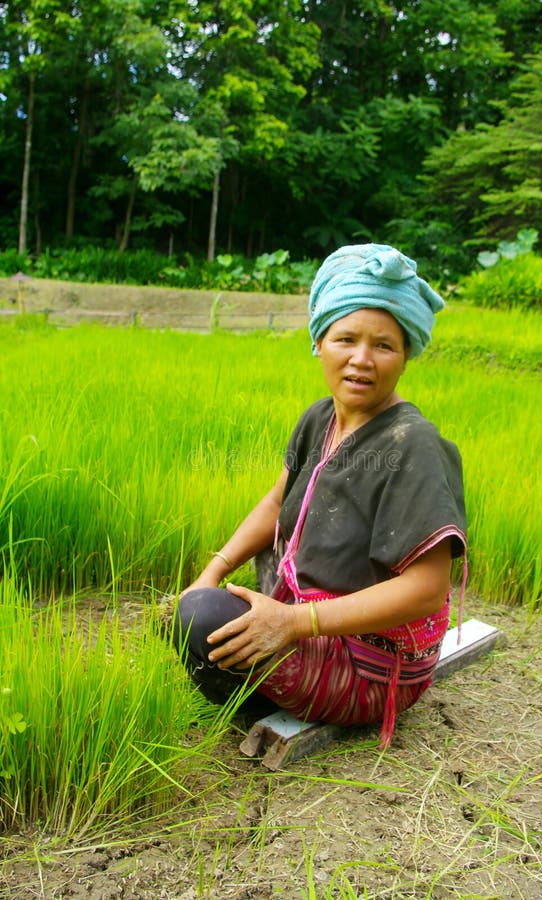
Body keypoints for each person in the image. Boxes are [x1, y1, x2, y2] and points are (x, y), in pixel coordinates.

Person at [174, 243, 467, 747]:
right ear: (319, 342)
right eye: (345, 339)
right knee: (199, 606)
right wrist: (212, 570)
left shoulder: (414, 445)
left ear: (406, 355)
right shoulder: (320, 419)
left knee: (201, 621)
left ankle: (268, 682)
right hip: (307, 619)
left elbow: (427, 589)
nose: (361, 359)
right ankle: (259, 669)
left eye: (384, 345)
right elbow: (275, 505)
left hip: (371, 663)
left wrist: (294, 621)